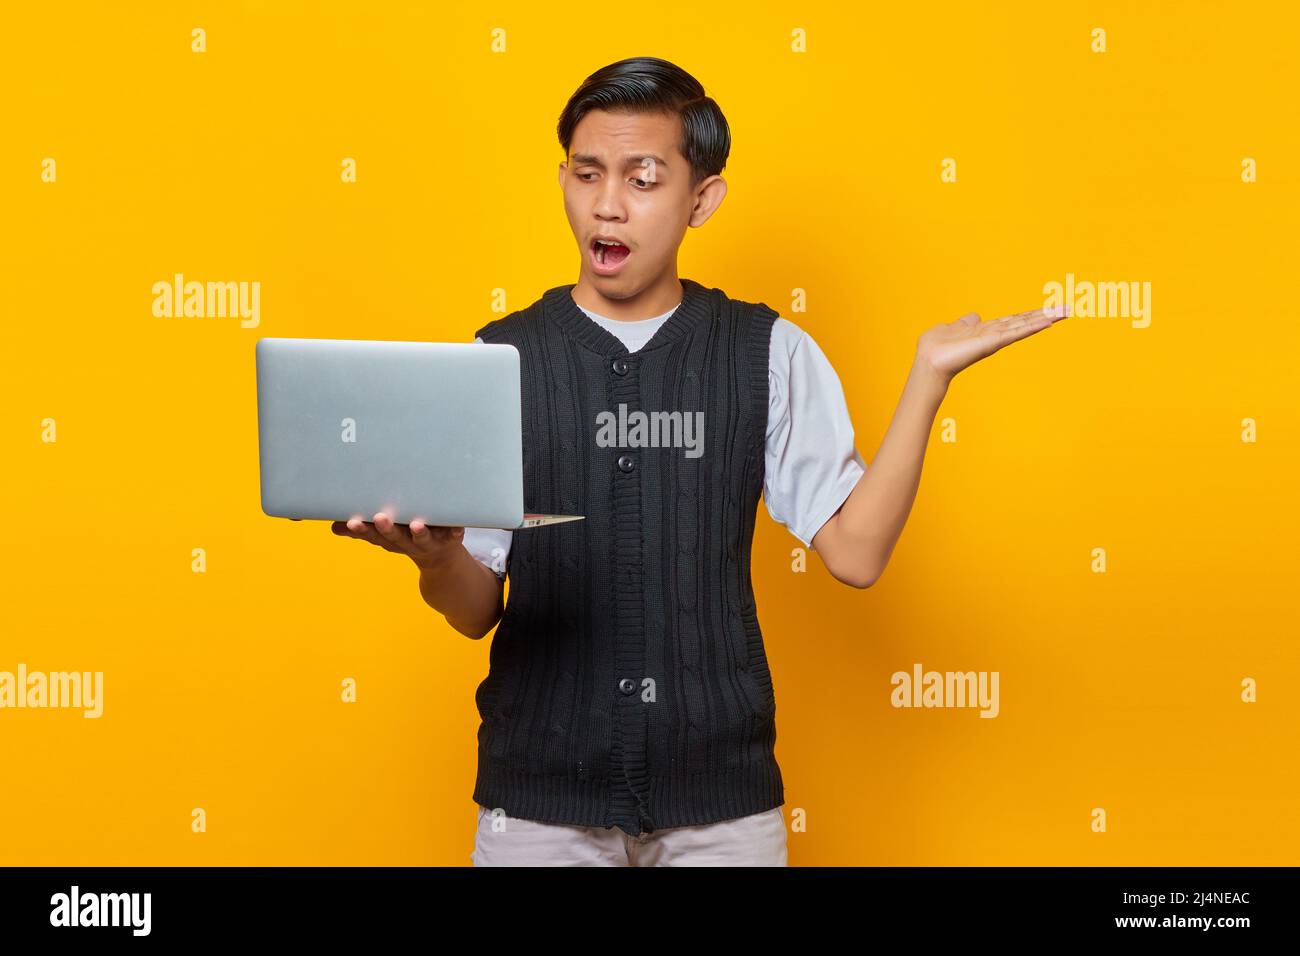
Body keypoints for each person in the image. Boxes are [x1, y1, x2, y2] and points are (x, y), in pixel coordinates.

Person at [331, 56, 1066, 866]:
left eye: (643, 179)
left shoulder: (768, 353)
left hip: (723, 805)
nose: (606, 205)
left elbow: (857, 555)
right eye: (587, 174)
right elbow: (475, 609)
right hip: (535, 802)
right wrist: (433, 557)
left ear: (701, 199)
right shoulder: (498, 359)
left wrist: (927, 379)